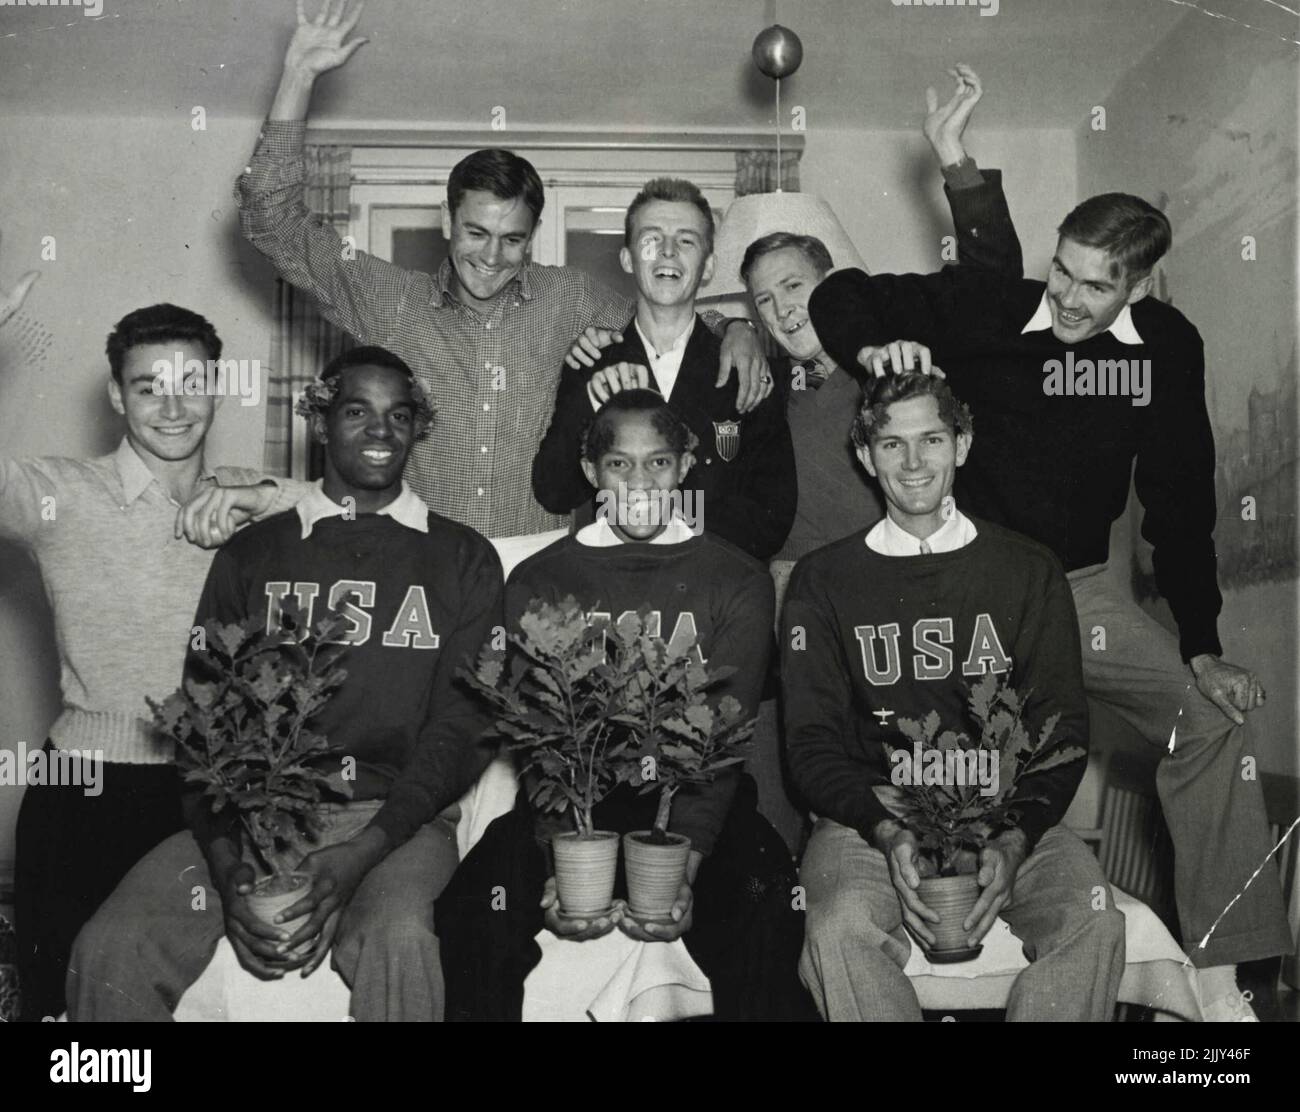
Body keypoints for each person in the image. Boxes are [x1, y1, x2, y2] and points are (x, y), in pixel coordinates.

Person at [809, 192, 1292, 1022]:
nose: (1065, 299)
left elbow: (1177, 502)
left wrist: (1203, 645)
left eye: (1094, 287)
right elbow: (836, 292)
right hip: (974, 586)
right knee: (948, 748)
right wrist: (871, 344)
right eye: (1061, 270)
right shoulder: (992, 306)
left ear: (1140, 287)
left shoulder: (1167, 351)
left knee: (1209, 726)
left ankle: (1219, 977)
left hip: (1078, 586)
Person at [67, 346, 505, 1022]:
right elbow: (202, 725)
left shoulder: (463, 557)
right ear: (320, 422)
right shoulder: (254, 551)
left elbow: (463, 729)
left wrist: (365, 851)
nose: (381, 431)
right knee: (111, 945)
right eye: (357, 411)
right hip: (253, 821)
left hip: (393, 823)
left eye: (399, 415)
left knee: (403, 941)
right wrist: (222, 862)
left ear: (419, 427)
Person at [237, 0, 771, 541]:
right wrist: (297, 76)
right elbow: (272, 220)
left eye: (512, 239)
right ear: (447, 219)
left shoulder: (573, 299)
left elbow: (666, 328)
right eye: (476, 233)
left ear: (532, 237)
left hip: (541, 561)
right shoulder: (388, 299)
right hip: (428, 556)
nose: (491, 258)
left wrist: (736, 329)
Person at [437, 389, 812, 1019]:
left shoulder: (736, 578)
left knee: (764, 900)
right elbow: (542, 741)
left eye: (658, 463)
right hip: (570, 799)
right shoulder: (541, 576)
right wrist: (563, 859)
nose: (640, 482)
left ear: (686, 465)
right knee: (478, 905)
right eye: (619, 465)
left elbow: (724, 741)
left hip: (692, 794)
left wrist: (684, 866)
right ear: (591, 472)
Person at [783, 368, 1126, 1022]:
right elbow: (809, 745)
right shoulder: (822, 580)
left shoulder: (1029, 569)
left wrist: (1016, 838)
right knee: (837, 932)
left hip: (1001, 807)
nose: (914, 462)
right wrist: (884, 830)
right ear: (865, 456)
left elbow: (1061, 732)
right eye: (891, 445)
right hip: (870, 814)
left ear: (962, 444)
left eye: (932, 440)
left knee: (1094, 919)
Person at [1, 302, 305, 1022]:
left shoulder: (257, 503)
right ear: (116, 395)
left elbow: (371, 515)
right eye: (147, 388)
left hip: (218, 797)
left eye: (190, 384)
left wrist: (258, 495)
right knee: (71, 1016)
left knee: (214, 1003)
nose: (173, 408)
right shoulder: (61, 495)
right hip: (84, 792)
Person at [741, 64, 1023, 561]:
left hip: (898, 578)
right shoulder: (769, 387)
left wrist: (952, 155)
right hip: (798, 589)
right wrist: (732, 328)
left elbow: (993, 290)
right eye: (763, 301)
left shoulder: (894, 364)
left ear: (830, 287)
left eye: (792, 287)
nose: (781, 310)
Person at [531, 178, 797, 560]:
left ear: (707, 267)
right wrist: (589, 404)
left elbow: (772, 514)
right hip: (613, 586)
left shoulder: (750, 368)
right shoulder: (591, 363)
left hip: (714, 587)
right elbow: (554, 493)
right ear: (627, 258)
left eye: (686, 241)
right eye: (652, 239)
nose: (668, 252)